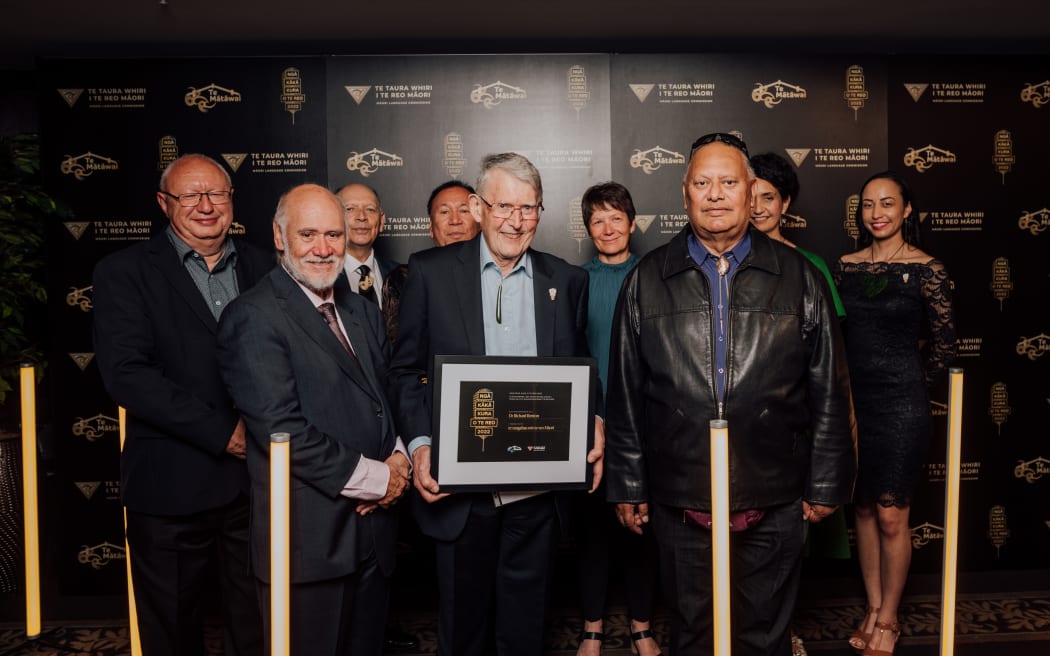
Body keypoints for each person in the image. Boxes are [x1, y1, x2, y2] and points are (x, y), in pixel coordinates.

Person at [604, 133, 856, 656]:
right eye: (702, 182)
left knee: (764, 637)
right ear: (684, 192)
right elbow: (626, 391)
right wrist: (628, 483)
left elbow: (829, 388)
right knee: (693, 634)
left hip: (774, 496)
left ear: (750, 191)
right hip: (681, 498)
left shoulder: (800, 277)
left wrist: (826, 480)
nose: (715, 194)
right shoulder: (647, 279)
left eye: (728, 182)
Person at [389, 152, 605, 656]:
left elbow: (581, 369)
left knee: (525, 632)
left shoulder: (566, 280)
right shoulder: (429, 272)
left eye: (528, 208)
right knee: (462, 633)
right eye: (504, 206)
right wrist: (420, 445)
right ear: (478, 207)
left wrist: (593, 419)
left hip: (537, 493)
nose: (516, 220)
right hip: (461, 495)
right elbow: (402, 373)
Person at [215, 183, 410, 655]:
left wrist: (401, 459)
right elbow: (284, 433)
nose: (324, 249)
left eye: (334, 235)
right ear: (280, 238)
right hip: (308, 545)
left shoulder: (360, 312)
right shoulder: (253, 318)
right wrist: (379, 479)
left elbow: (389, 399)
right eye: (308, 235)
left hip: (372, 538)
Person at [92, 153, 269, 656]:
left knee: (257, 625)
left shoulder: (267, 266)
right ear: (163, 203)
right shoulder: (123, 273)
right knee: (170, 631)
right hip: (169, 487)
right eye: (190, 195)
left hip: (253, 487)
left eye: (216, 193)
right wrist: (223, 433)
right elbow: (128, 376)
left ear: (232, 201)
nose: (205, 205)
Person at [834, 171, 956, 656]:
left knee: (890, 515)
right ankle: (872, 604)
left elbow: (943, 349)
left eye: (887, 203)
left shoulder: (929, 269)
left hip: (902, 404)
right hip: (852, 403)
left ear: (907, 210)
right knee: (861, 508)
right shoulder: (845, 266)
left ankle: (889, 618)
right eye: (867, 205)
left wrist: (911, 392)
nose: (877, 213)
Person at [750, 151, 849, 656]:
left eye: (769, 196)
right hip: (743, 430)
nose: (758, 205)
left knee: (787, 540)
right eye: (752, 195)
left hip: (796, 425)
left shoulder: (808, 267)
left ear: (785, 204)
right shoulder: (722, 262)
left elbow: (830, 365)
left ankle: (781, 630)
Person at [574, 182, 661, 656]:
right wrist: (591, 417)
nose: (607, 228)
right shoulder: (575, 280)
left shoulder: (654, 275)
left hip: (642, 423)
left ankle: (641, 626)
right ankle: (592, 627)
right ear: (588, 229)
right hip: (589, 423)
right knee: (592, 529)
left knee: (639, 528)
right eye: (597, 220)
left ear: (632, 222)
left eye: (615, 218)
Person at [427, 180, 480, 246]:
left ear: (480, 224)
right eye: (444, 212)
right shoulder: (418, 256)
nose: (455, 221)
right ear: (431, 228)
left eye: (464, 211)